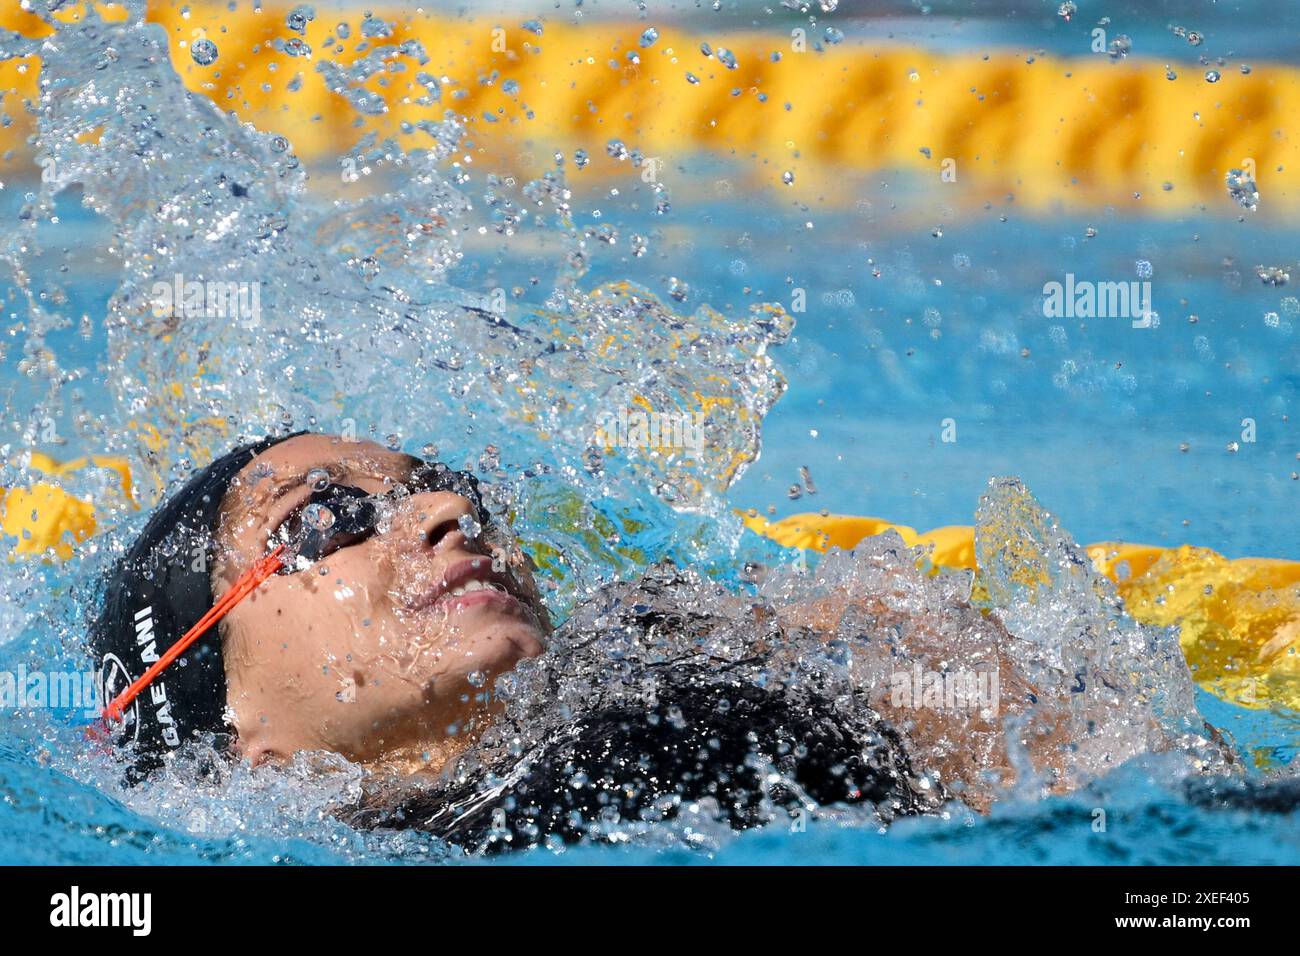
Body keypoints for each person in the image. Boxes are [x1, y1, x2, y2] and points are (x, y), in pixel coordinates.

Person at [89, 431, 1235, 852]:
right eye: (325, 518)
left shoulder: (670, 648)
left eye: (446, 486)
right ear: (235, 735)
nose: (446, 517)